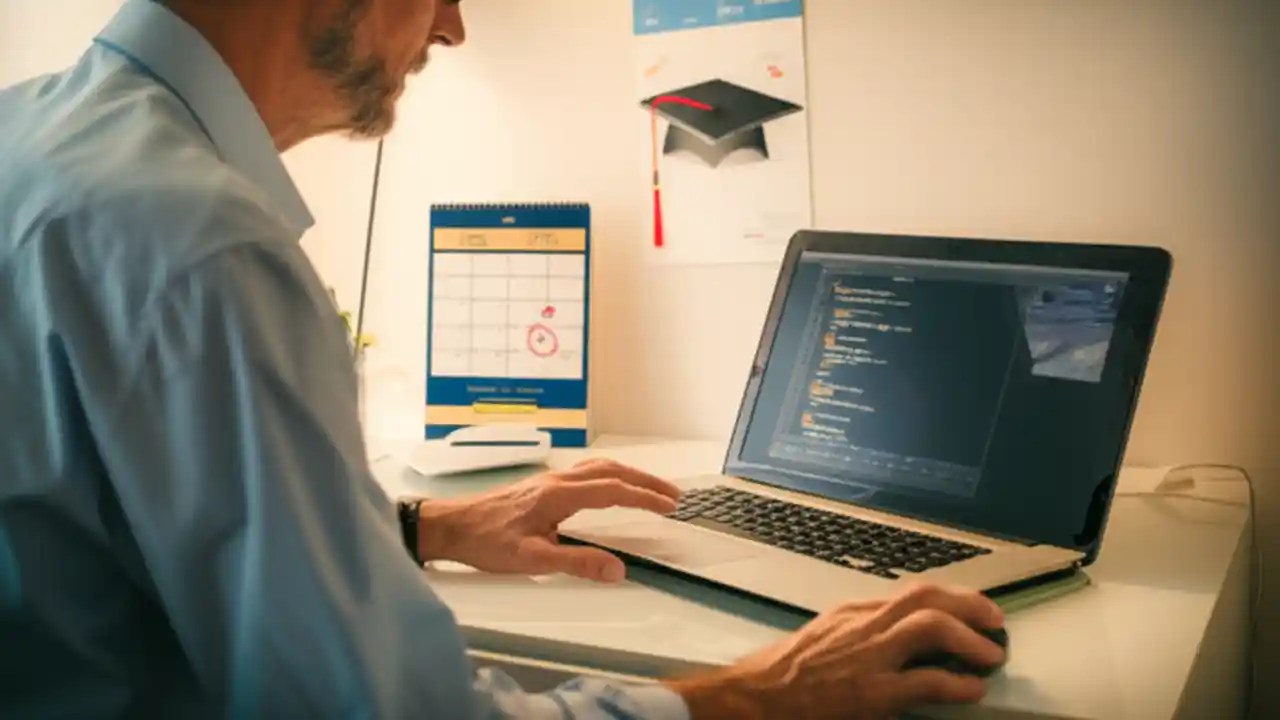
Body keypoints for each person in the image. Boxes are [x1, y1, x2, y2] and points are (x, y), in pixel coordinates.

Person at [0, 1, 1007, 717]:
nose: (452, 26)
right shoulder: (207, 248)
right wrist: (767, 694)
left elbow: (92, 524)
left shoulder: (27, 133)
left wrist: (420, 525)